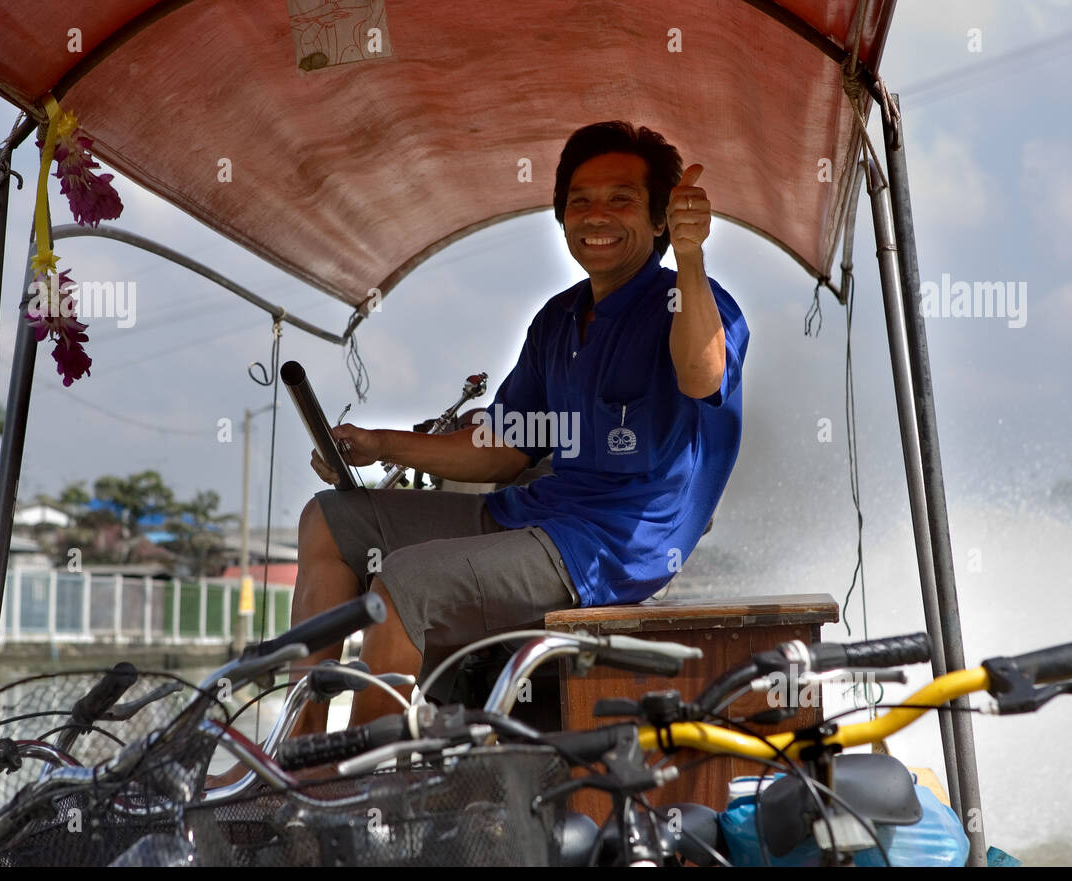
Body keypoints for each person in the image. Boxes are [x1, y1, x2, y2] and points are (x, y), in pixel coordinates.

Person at [290, 120, 750, 735]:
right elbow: (502, 451)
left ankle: (358, 786)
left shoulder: (693, 301)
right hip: (538, 514)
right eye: (580, 201)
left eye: (622, 199)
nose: (596, 215)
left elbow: (701, 372)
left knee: (406, 580)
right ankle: (299, 746)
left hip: (614, 549)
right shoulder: (558, 319)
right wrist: (375, 445)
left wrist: (692, 257)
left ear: (663, 220)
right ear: (561, 217)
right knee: (330, 520)